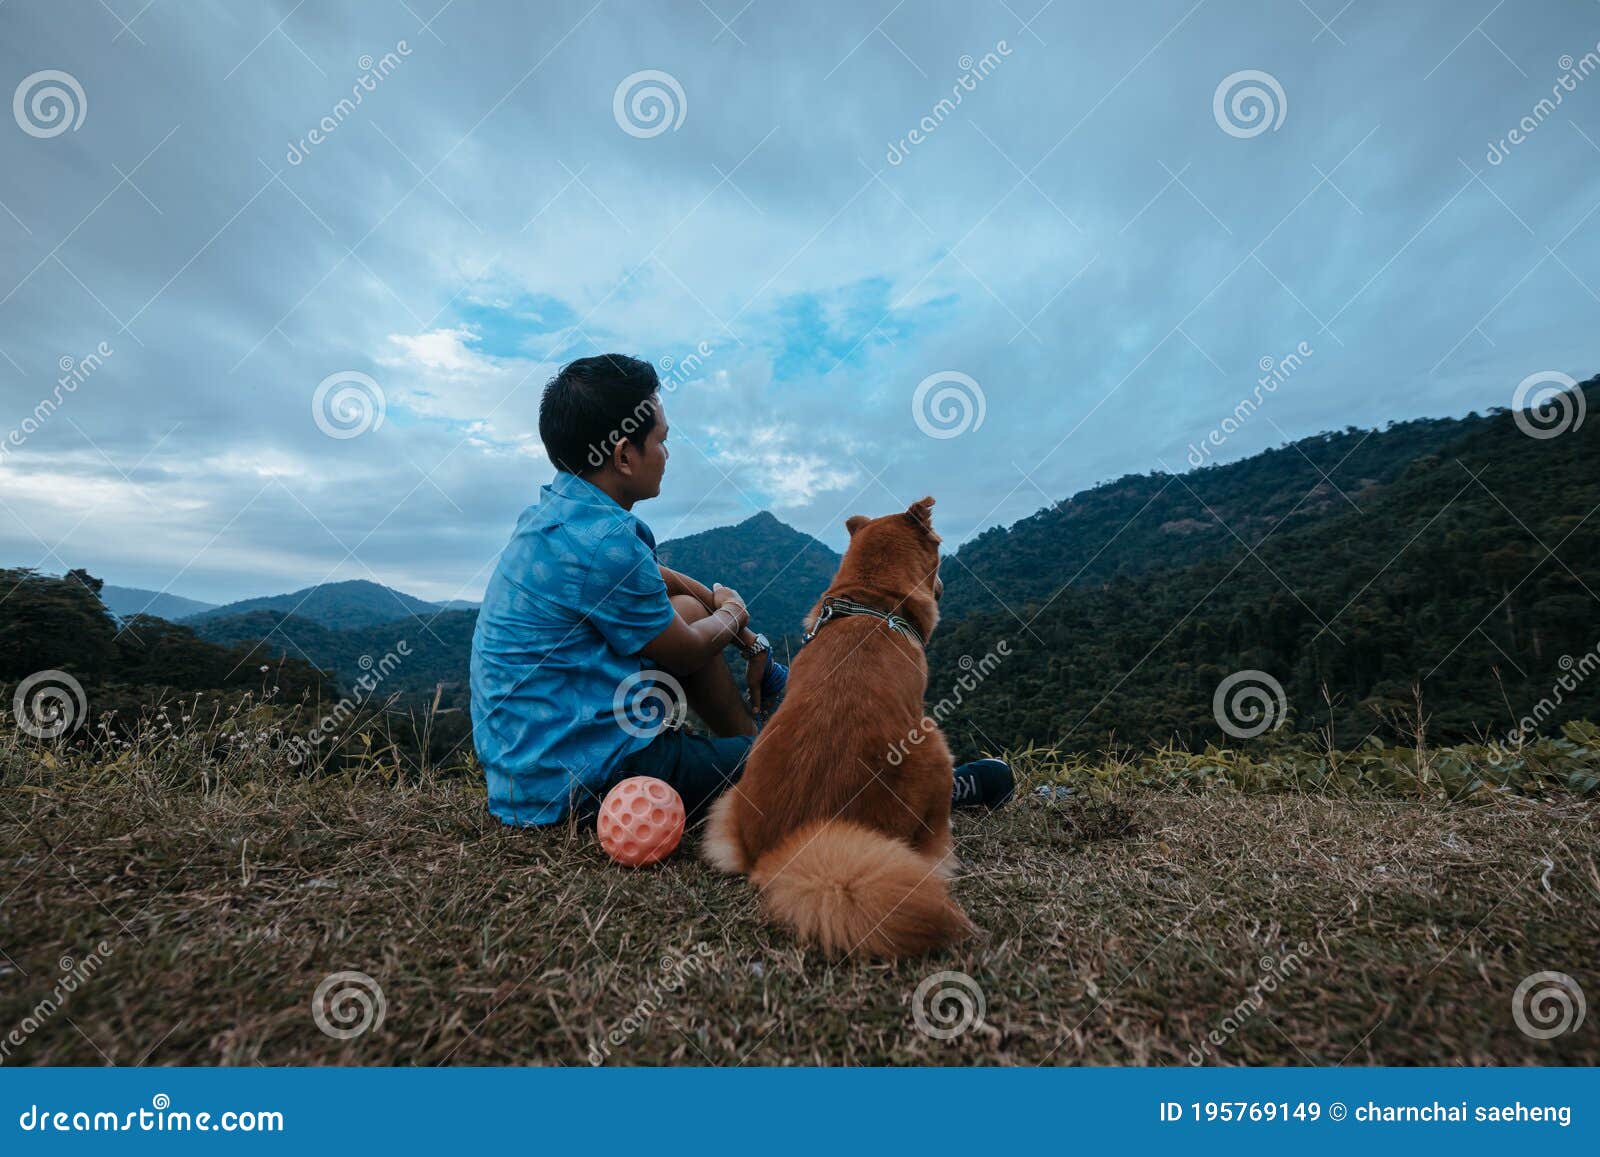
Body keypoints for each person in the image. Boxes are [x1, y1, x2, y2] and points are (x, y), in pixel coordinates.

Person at [469, 353, 1011, 827]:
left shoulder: (559, 516)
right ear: (624, 456)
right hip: (587, 782)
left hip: (529, 774)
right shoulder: (605, 541)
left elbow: (654, 577)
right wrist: (732, 613)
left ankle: (753, 752)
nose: (667, 452)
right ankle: (926, 795)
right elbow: (682, 648)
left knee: (682, 607)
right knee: (811, 769)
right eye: (661, 440)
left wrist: (743, 636)